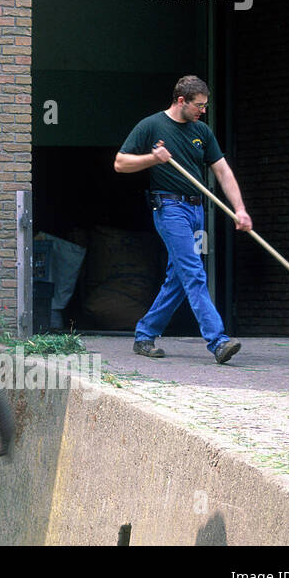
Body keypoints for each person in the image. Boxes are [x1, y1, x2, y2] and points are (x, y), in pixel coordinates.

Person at [114, 75, 249, 364]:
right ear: (180, 101)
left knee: (178, 278)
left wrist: (240, 209)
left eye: (205, 105)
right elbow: (120, 163)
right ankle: (218, 341)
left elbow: (223, 171)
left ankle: (145, 334)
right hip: (169, 208)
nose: (203, 110)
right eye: (199, 105)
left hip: (197, 210)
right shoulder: (151, 126)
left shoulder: (202, 131)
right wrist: (153, 158)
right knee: (194, 271)